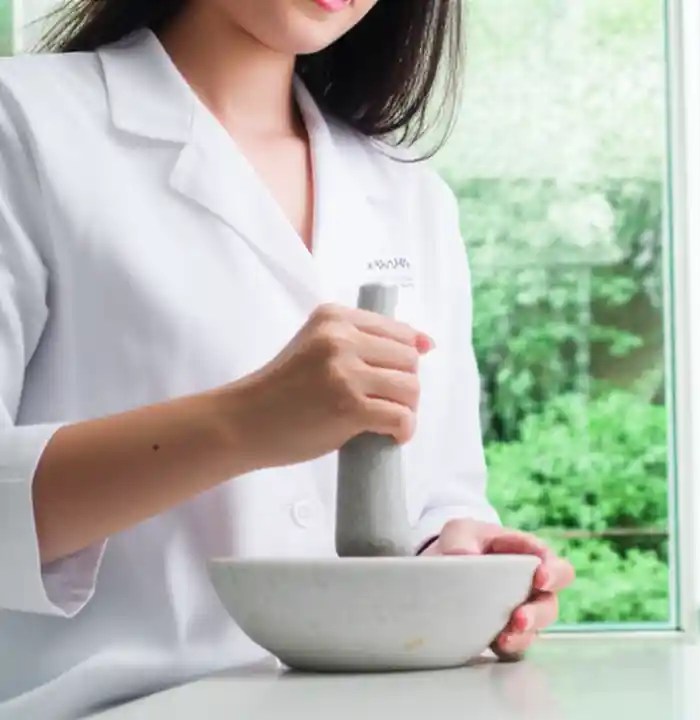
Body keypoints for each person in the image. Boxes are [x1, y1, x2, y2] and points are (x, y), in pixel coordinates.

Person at [0, 0, 574, 716]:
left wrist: (461, 559)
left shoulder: (410, 196)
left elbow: (440, 502)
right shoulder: (23, 123)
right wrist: (245, 423)